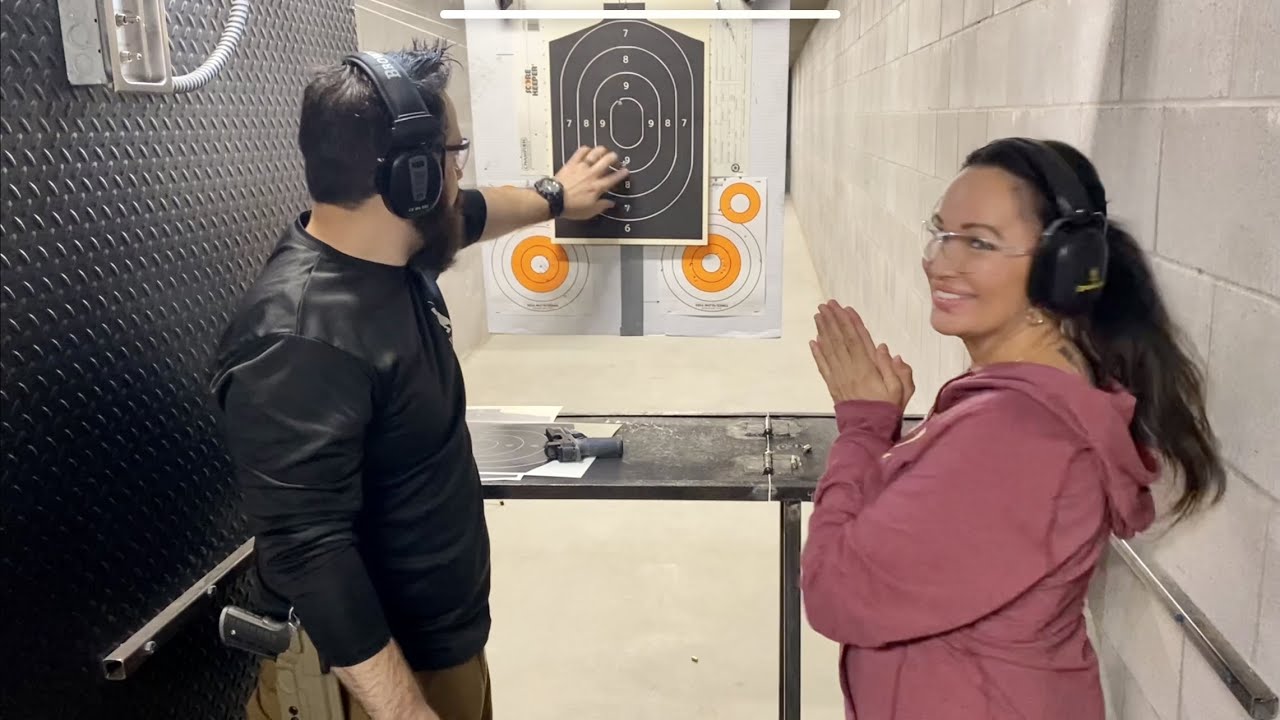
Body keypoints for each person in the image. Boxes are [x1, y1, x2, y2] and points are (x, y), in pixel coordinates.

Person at [208, 41, 628, 720]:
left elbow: (472, 215)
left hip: (438, 647)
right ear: (412, 179)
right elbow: (310, 554)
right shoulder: (299, 338)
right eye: (453, 156)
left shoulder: (388, 251)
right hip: (376, 679)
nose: (460, 173)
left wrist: (554, 196)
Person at [800, 137, 1226, 719]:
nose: (938, 260)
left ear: (1062, 271)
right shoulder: (1031, 401)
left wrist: (863, 429)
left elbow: (836, 591)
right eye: (942, 232)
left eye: (978, 242)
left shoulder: (1017, 436)